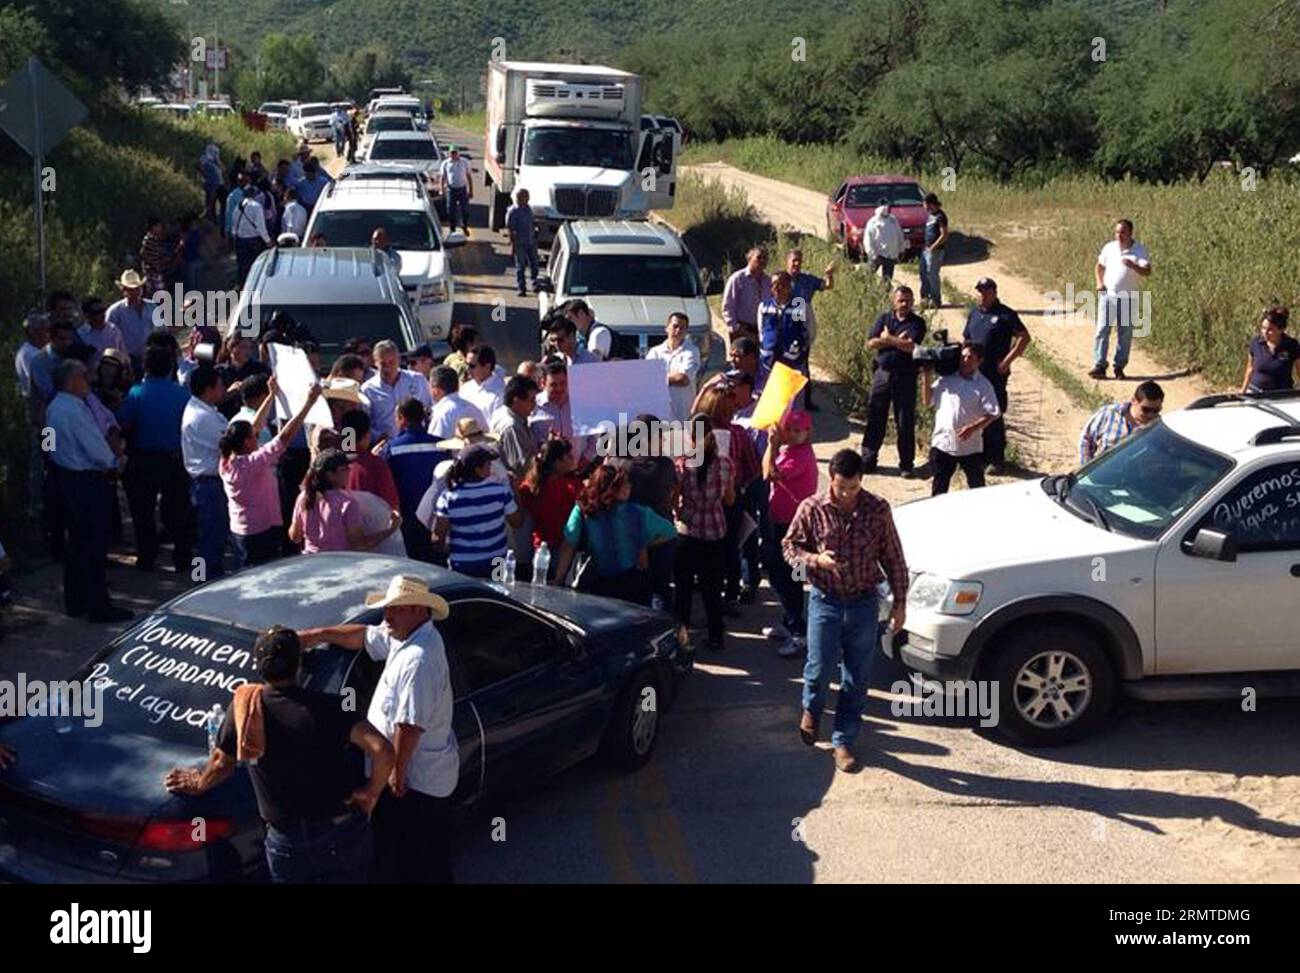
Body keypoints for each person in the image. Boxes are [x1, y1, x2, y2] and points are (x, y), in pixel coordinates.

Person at [164, 626, 395, 884]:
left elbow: (220, 764)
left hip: (287, 841)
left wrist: (197, 783)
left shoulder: (246, 710)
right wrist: (371, 792)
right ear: (298, 665)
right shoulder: (331, 707)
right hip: (341, 831)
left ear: (259, 667)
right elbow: (383, 749)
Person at [296, 575, 459, 883]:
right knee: (405, 853)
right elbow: (365, 636)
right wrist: (317, 635)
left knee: (421, 859)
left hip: (416, 782)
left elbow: (409, 726)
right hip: (413, 774)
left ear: (417, 609)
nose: (387, 616)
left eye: (394, 609)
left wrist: (394, 774)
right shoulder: (405, 634)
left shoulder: (419, 660)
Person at [782, 448, 908, 773]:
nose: (846, 494)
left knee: (857, 674)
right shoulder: (812, 508)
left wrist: (900, 603)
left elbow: (893, 557)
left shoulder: (878, 509)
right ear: (832, 481)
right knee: (820, 664)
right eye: (840, 487)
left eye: (853, 488)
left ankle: (844, 739)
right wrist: (815, 560)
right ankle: (812, 708)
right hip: (826, 599)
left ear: (861, 481)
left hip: (865, 602)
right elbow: (789, 546)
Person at [45, 360, 131, 622]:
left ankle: (76, 600)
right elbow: (94, 445)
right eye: (83, 376)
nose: (89, 380)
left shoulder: (55, 407)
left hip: (68, 479)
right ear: (71, 381)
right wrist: (115, 462)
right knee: (93, 545)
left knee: (77, 545)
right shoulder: (72, 409)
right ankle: (98, 605)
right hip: (86, 481)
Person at [220, 379, 321, 568]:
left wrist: (271, 395)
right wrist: (309, 403)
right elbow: (284, 437)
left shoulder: (227, 459)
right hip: (261, 531)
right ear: (246, 443)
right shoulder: (252, 463)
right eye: (253, 437)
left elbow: (255, 427)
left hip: (241, 528)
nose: (257, 436)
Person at [119, 346, 194, 573]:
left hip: (144, 460)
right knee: (179, 511)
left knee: (143, 512)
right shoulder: (183, 394)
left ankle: (146, 558)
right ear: (171, 367)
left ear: (146, 367)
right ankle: (182, 558)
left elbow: (122, 424)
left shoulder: (135, 394)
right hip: (175, 460)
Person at [673, 414, 734, 650]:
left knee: (684, 589)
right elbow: (729, 500)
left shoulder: (683, 463)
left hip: (688, 530)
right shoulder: (726, 463)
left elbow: (675, 496)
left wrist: (679, 510)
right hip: (715, 530)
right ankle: (716, 635)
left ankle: (682, 638)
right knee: (712, 587)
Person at [763, 410, 818, 658]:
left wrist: (771, 445)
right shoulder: (792, 451)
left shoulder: (801, 455)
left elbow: (769, 473)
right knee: (779, 570)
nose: (794, 435)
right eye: (790, 430)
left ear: (807, 432)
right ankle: (789, 620)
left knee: (790, 576)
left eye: (799, 430)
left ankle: (799, 631)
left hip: (793, 527)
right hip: (782, 520)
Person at [962, 277, 1030, 474]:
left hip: (994, 374)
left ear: (994, 292)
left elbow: (1024, 338)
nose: (982, 295)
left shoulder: (1006, 315)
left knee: (994, 414)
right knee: (975, 412)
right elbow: (967, 338)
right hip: (975, 373)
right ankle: (980, 455)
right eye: (980, 291)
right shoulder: (974, 313)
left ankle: (996, 459)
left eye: (986, 291)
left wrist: (1007, 361)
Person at [862, 285, 926, 477]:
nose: (904, 304)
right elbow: (870, 343)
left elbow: (910, 346)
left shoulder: (917, 323)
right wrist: (894, 340)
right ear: (893, 301)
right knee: (875, 417)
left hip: (905, 376)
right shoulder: (884, 318)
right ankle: (868, 459)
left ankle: (906, 464)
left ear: (913, 301)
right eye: (901, 300)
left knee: (904, 420)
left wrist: (888, 338)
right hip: (883, 374)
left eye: (908, 300)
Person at [922, 342, 1002, 496]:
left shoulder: (984, 385)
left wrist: (972, 428)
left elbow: (993, 413)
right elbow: (928, 401)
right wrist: (926, 376)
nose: (965, 360)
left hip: (970, 447)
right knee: (939, 487)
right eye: (963, 356)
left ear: (979, 361)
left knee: (977, 487)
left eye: (970, 357)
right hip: (943, 443)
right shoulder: (946, 379)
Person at [290, 449, 402, 554]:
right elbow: (359, 545)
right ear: (330, 475)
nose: (349, 470)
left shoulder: (303, 497)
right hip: (339, 566)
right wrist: (389, 530)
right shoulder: (347, 504)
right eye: (344, 469)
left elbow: (295, 537)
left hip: (311, 564)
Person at [433, 445, 521, 577]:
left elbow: (438, 539)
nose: (491, 466)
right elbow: (517, 522)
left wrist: (449, 549)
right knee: (498, 595)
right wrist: (516, 491)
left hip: (463, 564)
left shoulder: (448, 497)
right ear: (478, 470)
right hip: (497, 561)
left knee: (469, 596)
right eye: (488, 464)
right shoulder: (501, 491)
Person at [182, 365, 234, 581]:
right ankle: (201, 581)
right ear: (208, 388)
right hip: (208, 485)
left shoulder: (204, 409)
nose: (224, 389)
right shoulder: (202, 417)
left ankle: (202, 578)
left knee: (211, 537)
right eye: (221, 385)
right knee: (209, 539)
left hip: (207, 484)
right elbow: (231, 442)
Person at [386, 398, 450, 562]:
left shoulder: (392, 448)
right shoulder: (442, 445)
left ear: (401, 417)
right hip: (438, 518)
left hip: (408, 518)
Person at [1090, 218, 1152, 380]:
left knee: (1124, 333)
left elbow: (1147, 271)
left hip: (1128, 298)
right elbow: (1099, 266)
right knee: (1102, 330)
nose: (1119, 235)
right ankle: (1099, 365)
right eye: (1117, 232)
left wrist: (1133, 266)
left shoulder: (1139, 250)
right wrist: (1099, 282)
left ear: (1130, 233)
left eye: (1123, 232)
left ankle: (1119, 367)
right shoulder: (1109, 248)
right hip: (1108, 295)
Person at [786, 250, 834, 410]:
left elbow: (827, 285)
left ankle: (806, 400)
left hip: (803, 320)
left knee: (803, 363)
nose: (797, 264)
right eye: (794, 261)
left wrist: (829, 275)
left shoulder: (806, 279)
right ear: (787, 262)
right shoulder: (782, 279)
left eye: (799, 261)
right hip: (787, 322)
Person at [519, 438, 582, 558]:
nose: (573, 458)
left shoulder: (529, 487)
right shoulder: (570, 487)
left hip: (540, 550)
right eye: (568, 456)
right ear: (557, 462)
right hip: (565, 552)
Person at [362, 340, 433, 445]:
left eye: (391, 362)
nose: (387, 368)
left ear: (398, 360)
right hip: (386, 447)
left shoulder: (417, 380)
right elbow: (365, 423)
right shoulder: (368, 389)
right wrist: (377, 436)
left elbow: (430, 410)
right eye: (383, 364)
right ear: (375, 363)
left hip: (416, 442)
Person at [1078, 381, 1165, 464]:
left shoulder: (1158, 427)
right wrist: (1087, 467)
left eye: (1156, 410)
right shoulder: (1109, 413)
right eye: (1146, 409)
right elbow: (1086, 440)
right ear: (1134, 400)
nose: (1151, 414)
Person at [530, 358, 595, 466]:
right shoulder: (533, 405)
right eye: (553, 384)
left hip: (579, 469)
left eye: (563, 383)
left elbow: (594, 437)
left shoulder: (581, 403)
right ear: (543, 383)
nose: (559, 388)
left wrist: (585, 460)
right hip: (547, 472)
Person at [340, 409, 400, 511]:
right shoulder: (376, 465)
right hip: (372, 524)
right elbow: (391, 505)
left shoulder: (333, 464)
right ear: (366, 435)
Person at [758, 271, 810, 389]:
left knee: (788, 389)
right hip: (769, 356)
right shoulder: (765, 306)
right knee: (768, 388)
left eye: (781, 284)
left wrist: (800, 346)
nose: (776, 288)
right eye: (773, 284)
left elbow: (806, 329)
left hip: (791, 356)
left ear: (789, 286)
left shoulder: (798, 305)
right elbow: (761, 330)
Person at [647, 312, 701, 422]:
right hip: (659, 416)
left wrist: (657, 379)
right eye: (675, 326)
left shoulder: (691, 351)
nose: (678, 331)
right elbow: (647, 379)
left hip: (682, 416)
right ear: (666, 328)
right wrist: (666, 378)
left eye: (683, 328)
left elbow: (683, 379)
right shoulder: (654, 352)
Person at [106, 270, 159, 376]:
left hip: (151, 357)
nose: (135, 292)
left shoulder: (152, 307)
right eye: (131, 290)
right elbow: (108, 336)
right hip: (128, 360)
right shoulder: (115, 311)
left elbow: (161, 330)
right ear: (124, 291)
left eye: (137, 289)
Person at [1241, 306, 1299, 393]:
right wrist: (1242, 392)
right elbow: (1250, 369)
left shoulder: (1291, 345)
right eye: (1263, 328)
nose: (1265, 332)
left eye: (1270, 329)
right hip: (1256, 393)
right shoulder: (1256, 343)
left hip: (1283, 395)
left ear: (1281, 330)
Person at [721, 247, 771, 341]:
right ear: (749, 258)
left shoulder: (768, 281)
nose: (762, 261)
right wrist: (737, 329)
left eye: (765, 258)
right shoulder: (738, 279)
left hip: (763, 331)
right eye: (759, 257)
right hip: (742, 330)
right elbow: (728, 307)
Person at [231, 175, 273, 285]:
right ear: (254, 194)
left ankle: (243, 288)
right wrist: (268, 241)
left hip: (241, 241)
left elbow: (234, 226)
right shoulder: (257, 207)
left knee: (243, 267)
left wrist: (234, 237)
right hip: (254, 241)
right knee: (256, 267)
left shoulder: (238, 207)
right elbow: (261, 227)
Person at [493, 376, 539, 474]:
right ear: (516, 401)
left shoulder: (508, 415)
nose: (534, 405)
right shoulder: (512, 427)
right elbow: (520, 466)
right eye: (531, 400)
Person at [428, 365, 488, 439]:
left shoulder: (442, 415)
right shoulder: (474, 408)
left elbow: (435, 445)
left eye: (430, 385)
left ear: (436, 390)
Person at [505, 188, 538, 295]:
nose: (526, 199)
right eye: (524, 197)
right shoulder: (513, 211)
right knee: (521, 266)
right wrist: (513, 244)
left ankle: (535, 283)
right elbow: (510, 229)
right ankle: (521, 287)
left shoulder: (528, 209)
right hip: (520, 243)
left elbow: (532, 223)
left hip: (531, 242)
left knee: (534, 264)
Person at [919, 192, 949, 308]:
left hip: (935, 251)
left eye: (924, 204)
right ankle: (925, 298)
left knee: (932, 275)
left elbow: (944, 235)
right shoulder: (930, 215)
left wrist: (933, 247)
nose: (923, 207)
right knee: (923, 274)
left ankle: (936, 300)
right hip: (926, 250)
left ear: (930, 204)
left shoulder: (940, 216)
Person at [76, 297, 127, 363]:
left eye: (103, 310)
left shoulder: (114, 330)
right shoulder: (80, 335)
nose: (102, 314)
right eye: (98, 312)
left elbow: (123, 354)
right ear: (87, 315)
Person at [461, 344, 505, 419]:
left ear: (487, 367)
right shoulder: (465, 388)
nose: (467, 369)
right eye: (466, 365)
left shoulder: (500, 393)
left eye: (472, 366)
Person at [864, 204, 905, 282]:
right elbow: (868, 239)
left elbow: (899, 234)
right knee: (868, 275)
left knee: (887, 278)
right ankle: (864, 291)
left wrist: (901, 249)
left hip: (890, 255)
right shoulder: (873, 222)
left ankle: (884, 293)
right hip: (877, 254)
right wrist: (872, 253)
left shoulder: (893, 220)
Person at [439, 145, 472, 235]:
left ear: (458, 153)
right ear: (449, 154)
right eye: (452, 153)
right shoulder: (445, 163)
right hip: (451, 190)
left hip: (462, 189)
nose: (453, 155)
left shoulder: (464, 162)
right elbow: (442, 177)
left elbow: (469, 176)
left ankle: (464, 225)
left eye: (455, 153)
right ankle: (452, 228)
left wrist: (471, 190)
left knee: (465, 210)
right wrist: (441, 189)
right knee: (451, 210)